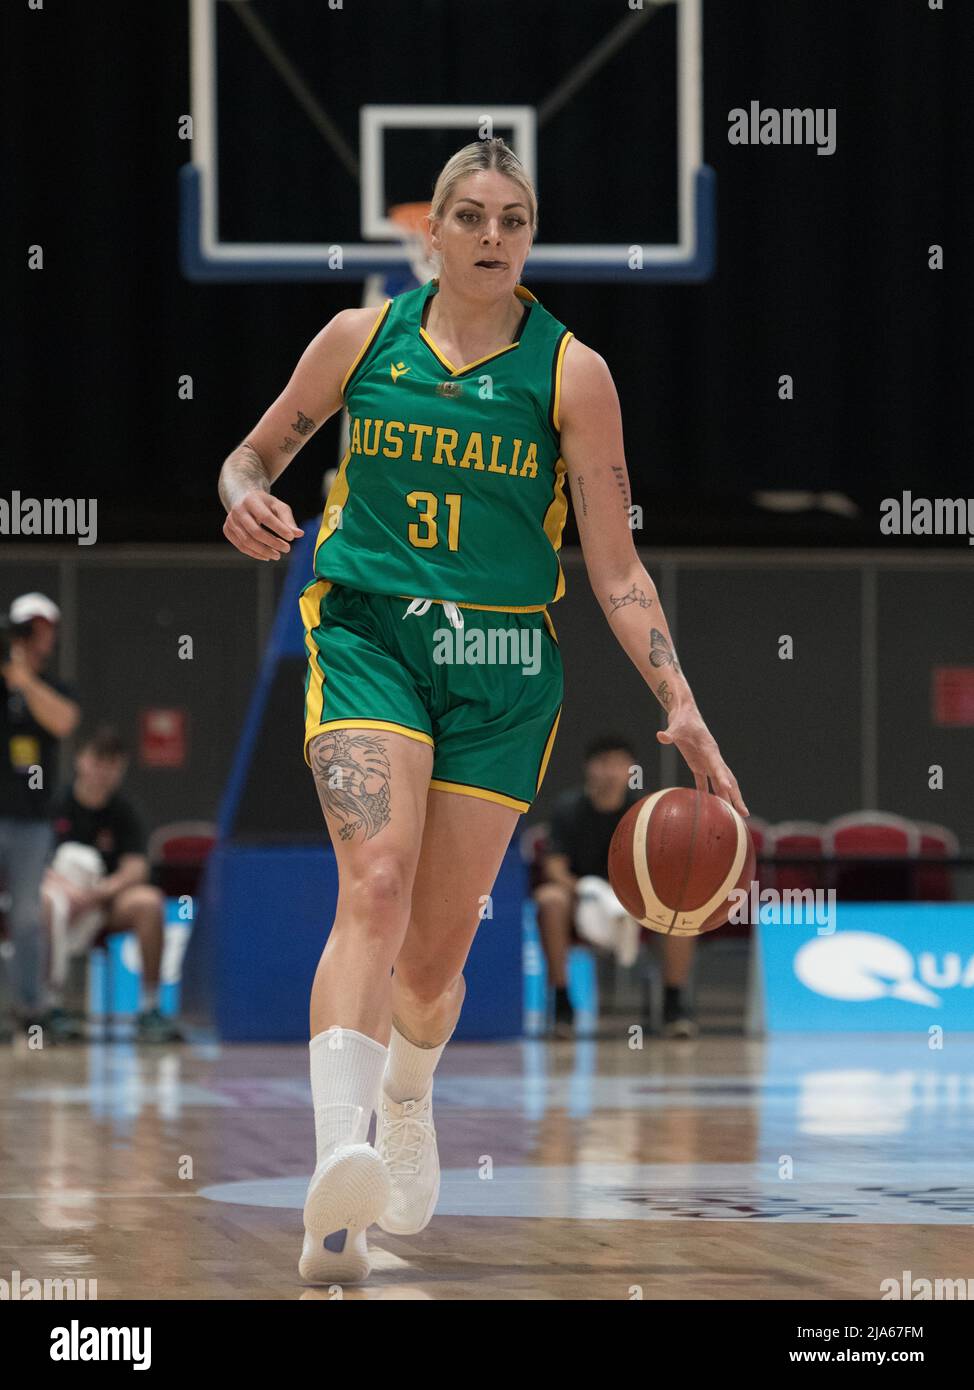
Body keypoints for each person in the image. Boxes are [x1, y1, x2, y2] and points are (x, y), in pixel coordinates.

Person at [218, 137, 747, 1285]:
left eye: (513, 218)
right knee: (374, 879)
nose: (493, 235)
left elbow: (613, 567)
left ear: (528, 235)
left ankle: (405, 1100)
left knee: (432, 959)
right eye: (471, 215)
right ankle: (334, 1189)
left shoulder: (572, 373)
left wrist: (682, 703)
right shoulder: (360, 340)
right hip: (368, 632)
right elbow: (254, 453)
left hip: (505, 663)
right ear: (433, 231)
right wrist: (242, 492)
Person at [537, 735, 699, 1039]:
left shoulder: (646, 809)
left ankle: (674, 1006)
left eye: (619, 763)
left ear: (631, 769)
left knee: (681, 903)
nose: (611, 771)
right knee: (549, 899)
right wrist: (588, 889)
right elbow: (554, 869)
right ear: (589, 768)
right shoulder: (568, 808)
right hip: (583, 897)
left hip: (636, 897)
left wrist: (632, 894)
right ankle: (562, 1005)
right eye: (603, 763)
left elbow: (663, 866)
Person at [40, 726, 181, 1044]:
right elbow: (35, 864)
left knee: (147, 901)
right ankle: (49, 1006)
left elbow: (136, 868)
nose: (102, 771)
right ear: (80, 760)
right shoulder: (55, 805)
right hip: (59, 897)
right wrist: (69, 891)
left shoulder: (125, 810)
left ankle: (150, 1008)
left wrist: (95, 894)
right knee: (46, 903)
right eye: (97, 761)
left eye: (112, 764)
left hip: (105, 901)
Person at [0, 593, 80, 1036]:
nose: (38, 637)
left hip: (31, 821)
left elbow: (64, 722)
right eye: (29, 628)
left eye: (45, 628)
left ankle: (30, 1008)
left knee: (27, 915)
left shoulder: (53, 688)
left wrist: (24, 679)